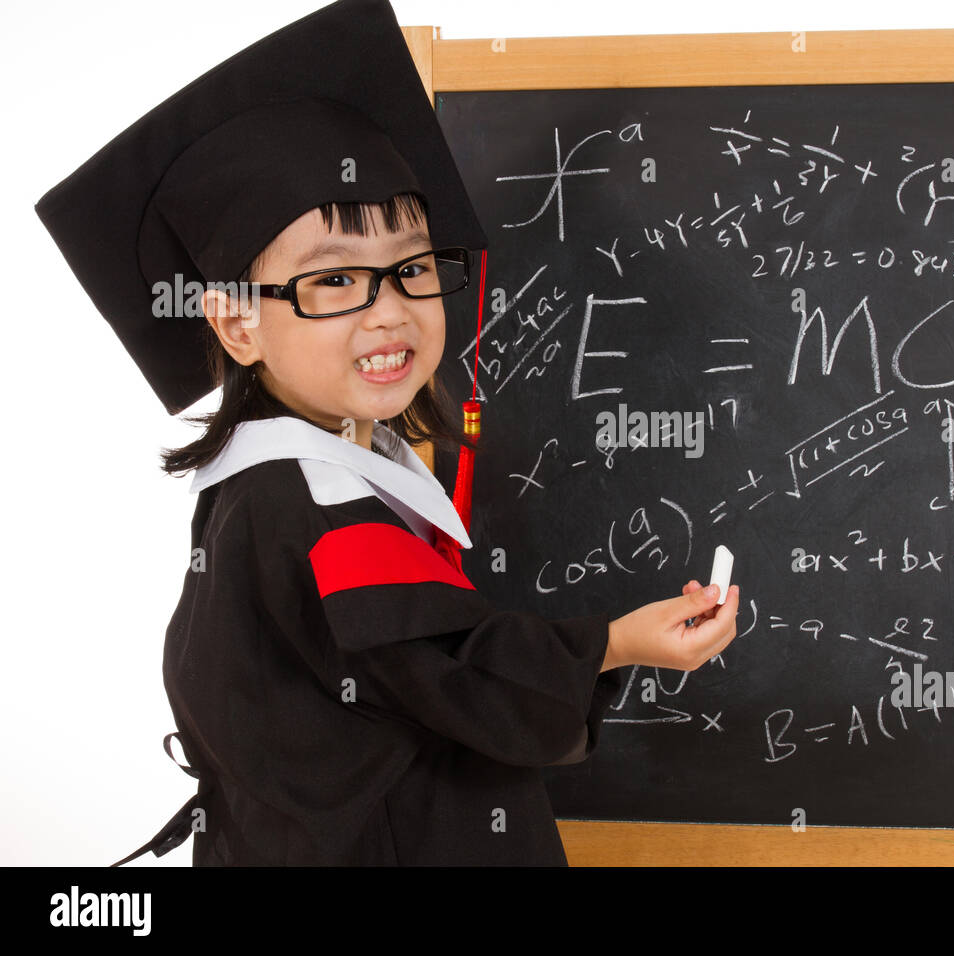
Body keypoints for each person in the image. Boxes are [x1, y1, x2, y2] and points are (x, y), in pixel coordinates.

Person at [34, 0, 739, 866]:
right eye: (332, 281)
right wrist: (617, 643)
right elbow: (453, 667)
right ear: (236, 325)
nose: (389, 312)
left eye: (410, 266)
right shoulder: (310, 499)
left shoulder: (296, 476)